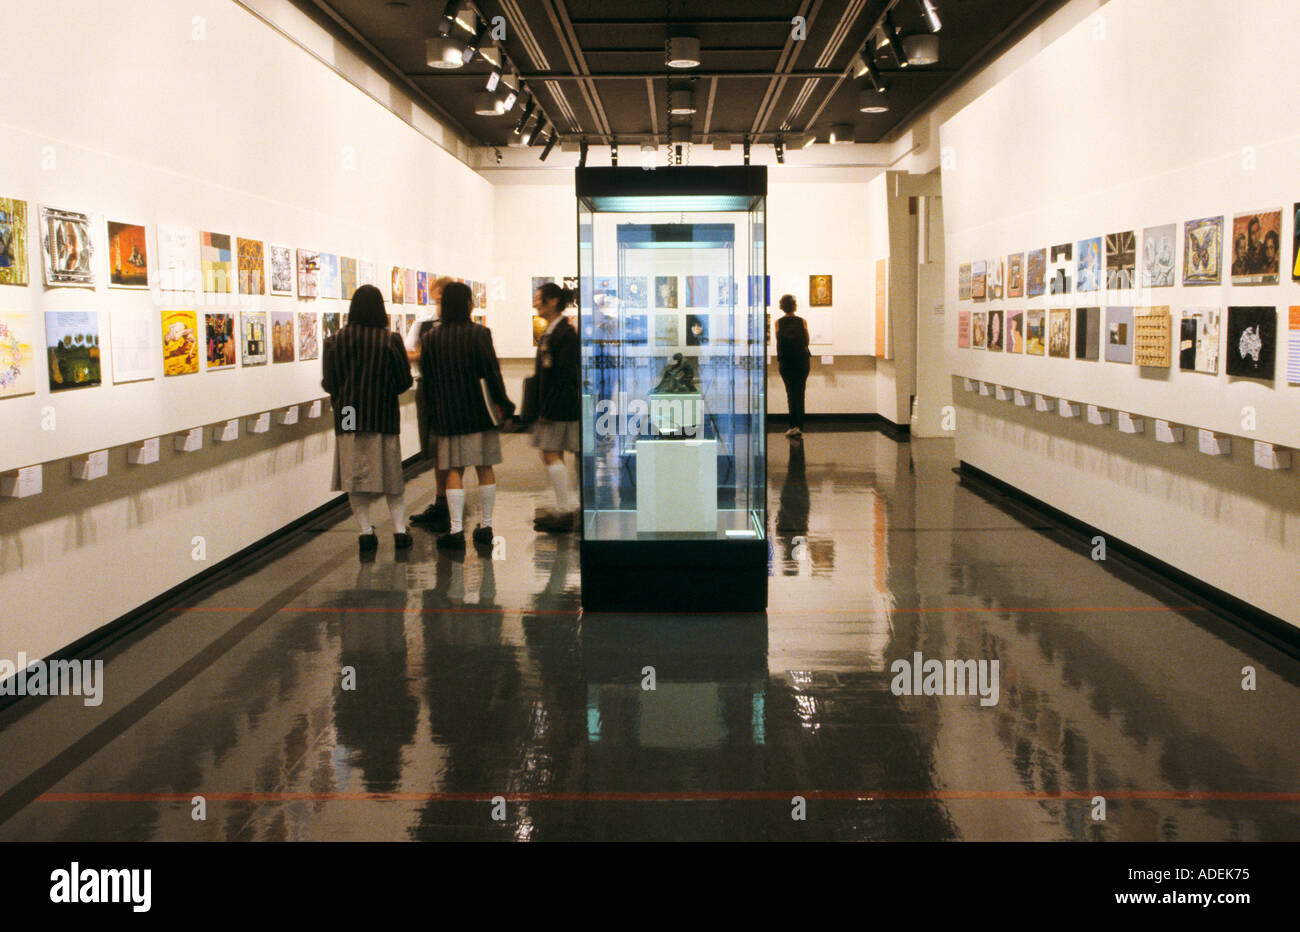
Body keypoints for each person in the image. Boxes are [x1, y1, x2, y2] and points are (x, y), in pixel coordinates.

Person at [419, 282, 514, 550]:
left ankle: (456, 531)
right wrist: (505, 406)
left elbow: (428, 382)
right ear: (468, 305)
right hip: (478, 413)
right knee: (485, 468)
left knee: (453, 471)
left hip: (448, 416)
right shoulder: (480, 334)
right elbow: (492, 373)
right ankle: (485, 526)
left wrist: (431, 420)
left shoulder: (431, 339)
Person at [321, 284, 414, 554]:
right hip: (382, 413)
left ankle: (365, 533)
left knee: (354, 475)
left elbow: (330, 383)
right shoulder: (390, 340)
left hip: (348, 414)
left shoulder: (335, 340)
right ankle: (399, 531)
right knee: (391, 474)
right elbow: (403, 380)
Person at [530, 282, 581, 533]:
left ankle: (566, 507)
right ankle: (566, 505)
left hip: (560, 406)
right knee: (552, 453)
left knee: (550, 453)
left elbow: (564, 376)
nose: (535, 303)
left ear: (552, 301)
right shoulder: (553, 331)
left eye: (539, 298)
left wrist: (548, 409)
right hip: (555, 403)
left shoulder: (564, 333)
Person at [407, 276, 455, 530]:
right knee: (434, 446)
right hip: (429, 387)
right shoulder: (424, 323)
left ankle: (449, 500)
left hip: (451, 388)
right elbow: (408, 352)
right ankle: (442, 499)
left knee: (453, 447)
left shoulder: (454, 325)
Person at [775, 294, 810, 438]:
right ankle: (800, 426)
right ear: (794, 306)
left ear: (782, 306)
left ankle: (792, 426)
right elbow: (807, 341)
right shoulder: (802, 321)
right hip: (801, 361)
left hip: (786, 362)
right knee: (800, 393)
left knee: (790, 393)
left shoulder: (778, 323)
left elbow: (778, 340)